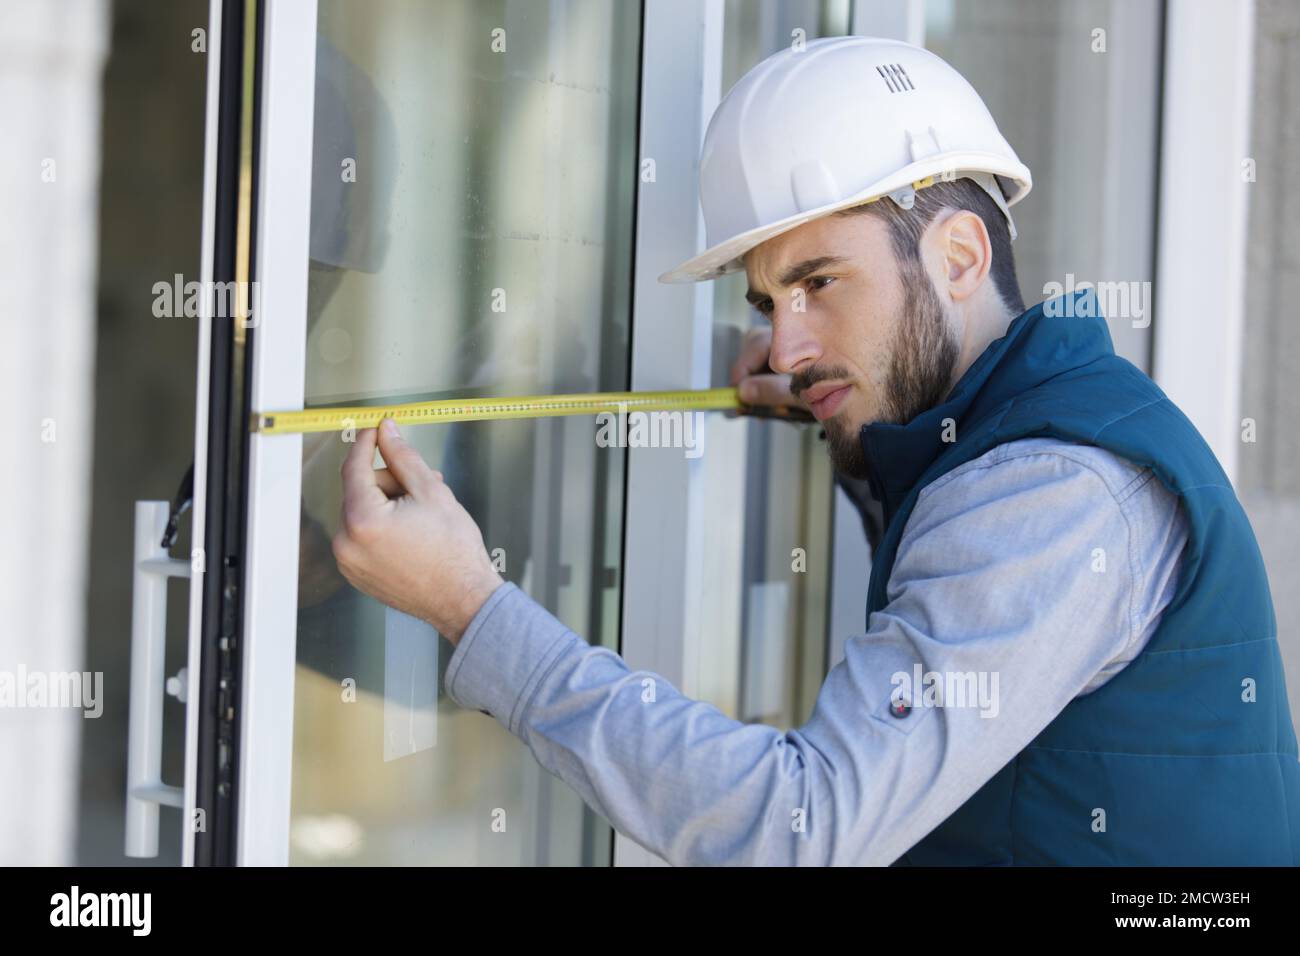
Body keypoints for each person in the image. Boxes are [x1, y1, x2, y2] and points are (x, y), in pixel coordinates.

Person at [330, 36, 1300, 865]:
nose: (786, 348)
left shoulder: (1052, 493)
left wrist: (469, 604)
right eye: (766, 304)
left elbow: (801, 825)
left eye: (820, 282)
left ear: (958, 257)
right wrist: (860, 424)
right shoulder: (1011, 436)